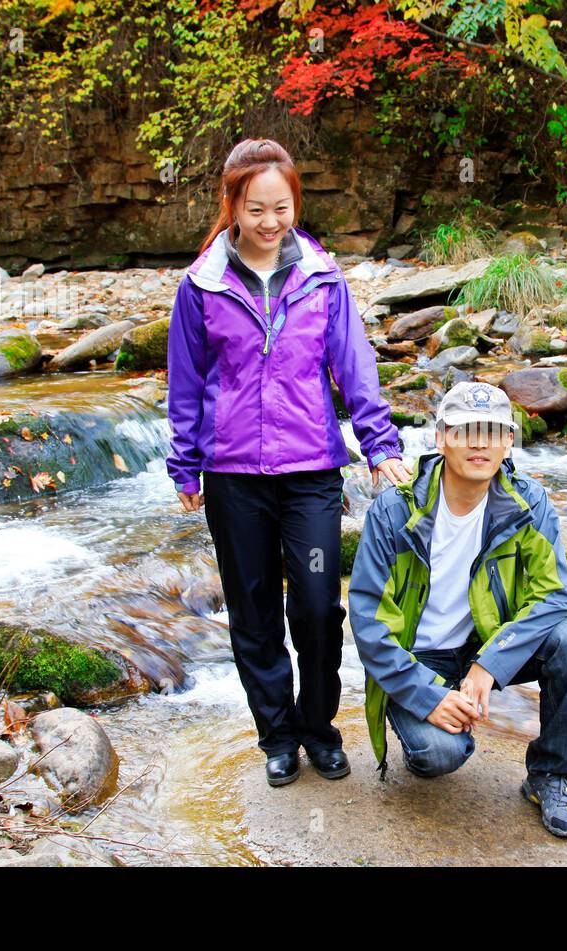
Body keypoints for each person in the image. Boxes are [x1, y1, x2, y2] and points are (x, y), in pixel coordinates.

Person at [166, 137, 413, 787]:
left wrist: (380, 445)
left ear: (294, 204)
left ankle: (317, 728)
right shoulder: (201, 286)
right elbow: (186, 381)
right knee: (252, 611)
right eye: (256, 209)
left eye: (282, 207)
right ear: (233, 206)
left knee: (313, 605)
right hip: (232, 475)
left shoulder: (323, 279)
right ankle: (276, 736)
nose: (270, 221)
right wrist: (185, 465)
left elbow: (353, 364)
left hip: (310, 471)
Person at [348, 381, 567, 837]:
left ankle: (550, 776)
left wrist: (490, 664)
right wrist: (426, 696)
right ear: (441, 439)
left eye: (492, 431)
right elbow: (367, 620)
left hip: (486, 641)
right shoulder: (394, 512)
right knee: (439, 755)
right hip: (418, 657)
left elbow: (554, 593)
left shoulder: (527, 503)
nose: (479, 442)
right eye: (465, 431)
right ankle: (420, 729)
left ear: (507, 442)